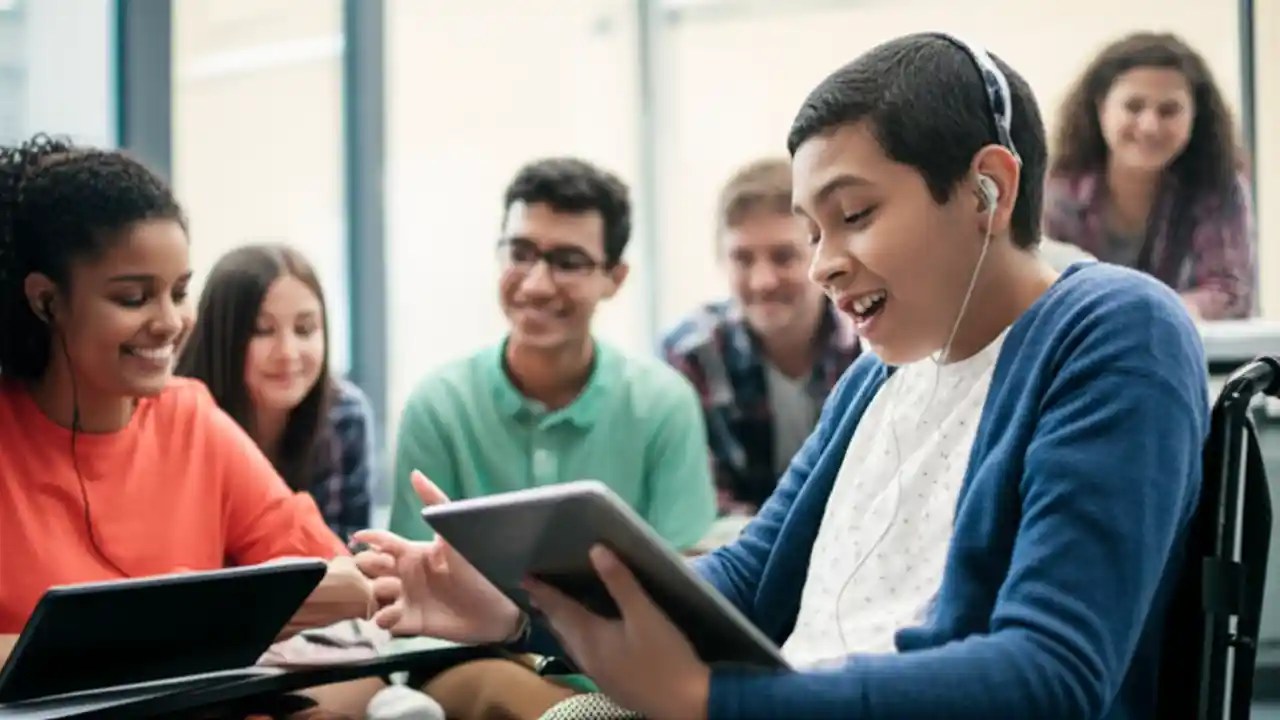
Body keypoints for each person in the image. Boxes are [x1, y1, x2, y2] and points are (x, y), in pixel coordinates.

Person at [356, 32, 1208, 720]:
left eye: (855, 215)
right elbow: (746, 581)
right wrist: (522, 606)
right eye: (813, 231)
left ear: (987, 188)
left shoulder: (1112, 329)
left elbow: (1049, 675)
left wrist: (709, 700)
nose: (822, 268)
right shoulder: (880, 376)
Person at [0, 135, 380, 718]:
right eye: (133, 298)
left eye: (180, 292)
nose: (171, 322)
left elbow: (348, 585)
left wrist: (202, 618)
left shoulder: (190, 417)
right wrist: (198, 623)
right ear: (46, 301)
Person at [388, 157, 716, 552]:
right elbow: (412, 574)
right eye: (520, 253)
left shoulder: (663, 405)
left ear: (614, 279)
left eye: (568, 263)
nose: (537, 285)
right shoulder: (439, 406)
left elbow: (688, 571)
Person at [661, 158, 859, 523]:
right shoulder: (691, 355)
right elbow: (700, 506)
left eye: (784, 257)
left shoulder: (872, 346)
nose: (763, 281)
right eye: (742, 259)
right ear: (721, 260)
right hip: (738, 565)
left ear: (822, 253)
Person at [1044, 31, 1255, 320]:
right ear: (1101, 107)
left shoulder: (1218, 187)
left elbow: (1230, 292)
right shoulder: (1056, 192)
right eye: (1133, 107)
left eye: (1169, 110)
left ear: (1196, 116)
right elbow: (1043, 291)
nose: (1149, 126)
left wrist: (1147, 317)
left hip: (1190, 354)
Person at [178, 243, 375, 542]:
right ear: (222, 338)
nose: (287, 352)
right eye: (262, 330)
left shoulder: (344, 414)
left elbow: (354, 552)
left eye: (305, 329)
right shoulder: (174, 418)